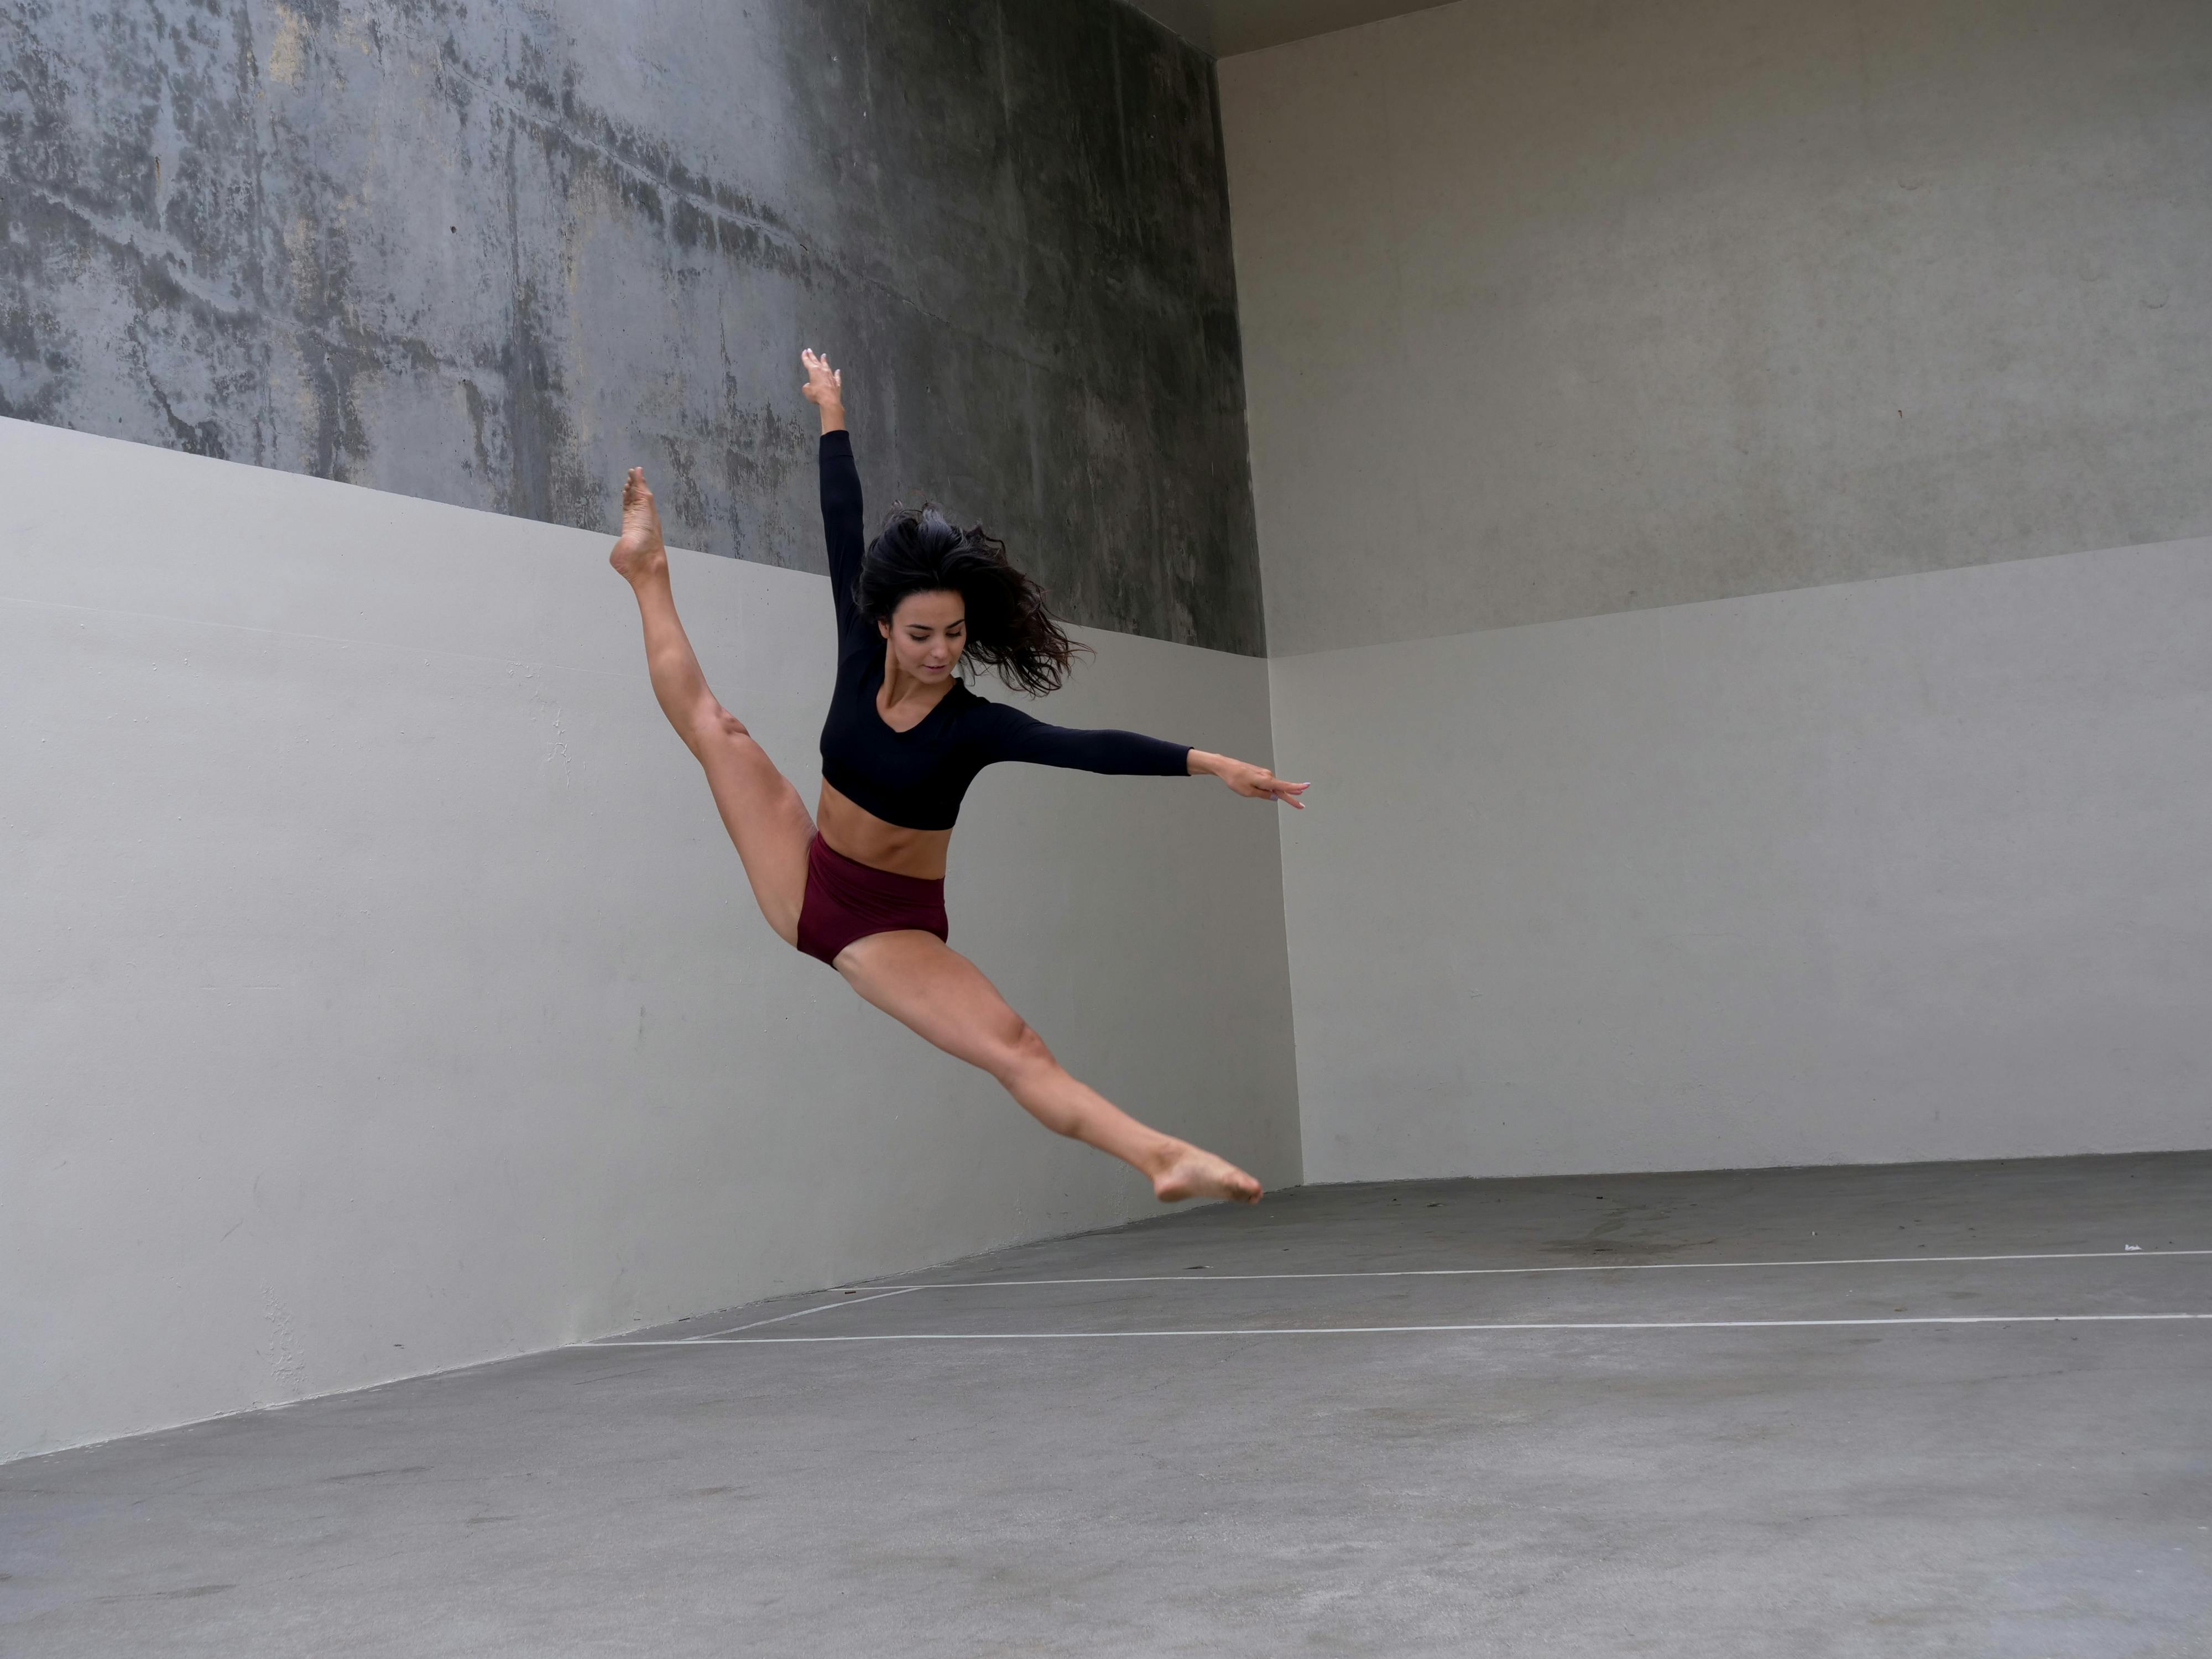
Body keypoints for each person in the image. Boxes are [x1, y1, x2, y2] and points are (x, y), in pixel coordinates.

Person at [608, 348, 1307, 1204]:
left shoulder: (974, 727)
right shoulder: (859, 643)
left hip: (887, 926)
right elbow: (841, 516)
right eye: (922, 635)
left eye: (954, 634)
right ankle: (645, 569)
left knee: (1016, 1045)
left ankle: (1160, 1156)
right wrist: (831, 410)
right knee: (715, 727)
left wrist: (1211, 763)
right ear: (883, 624)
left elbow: (1089, 747)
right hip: (809, 875)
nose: (941, 652)